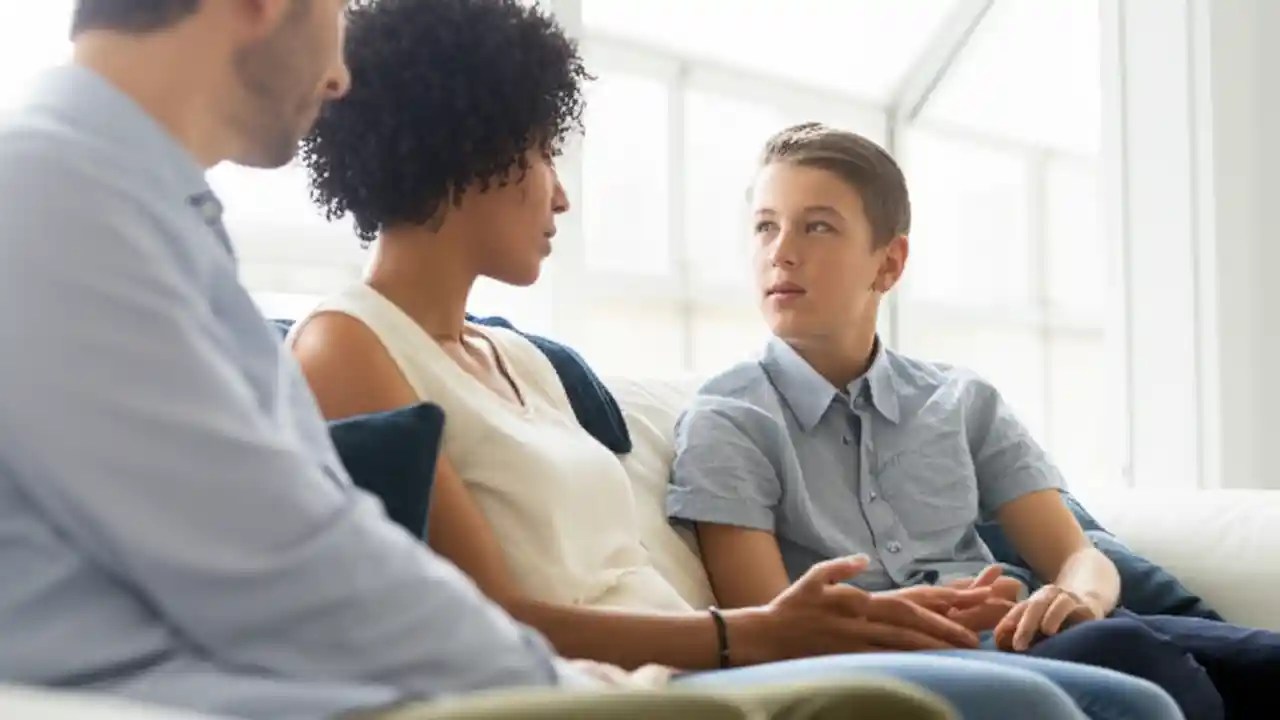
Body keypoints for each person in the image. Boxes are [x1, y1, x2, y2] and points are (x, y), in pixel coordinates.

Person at [0, 2, 947, 720]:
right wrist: (573, 687)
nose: (339, 76)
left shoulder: (141, 214)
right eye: (331, 10)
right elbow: (287, 563)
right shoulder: (54, 197)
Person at [290, 2, 1189, 719]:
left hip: (705, 658)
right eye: (539, 153)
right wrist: (752, 634)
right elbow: (487, 621)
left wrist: (771, 634)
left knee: (1136, 696)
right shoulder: (347, 344)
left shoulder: (519, 358)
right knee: (1058, 705)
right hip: (625, 687)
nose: (558, 192)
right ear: (466, 147)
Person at [668, 121, 1280, 719]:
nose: (783, 253)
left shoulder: (959, 399)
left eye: (817, 226)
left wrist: (1076, 596)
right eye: (765, 227)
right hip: (905, 663)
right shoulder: (729, 419)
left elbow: (1077, 553)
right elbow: (772, 630)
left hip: (1040, 633)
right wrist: (923, 615)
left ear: (889, 263)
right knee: (1125, 654)